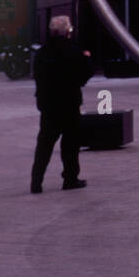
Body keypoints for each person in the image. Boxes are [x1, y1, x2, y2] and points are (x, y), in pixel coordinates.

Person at [30, 14, 95, 194]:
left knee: (44, 144)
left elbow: (37, 76)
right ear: (67, 31)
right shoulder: (73, 50)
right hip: (69, 103)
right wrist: (87, 58)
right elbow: (85, 75)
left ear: (52, 31)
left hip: (48, 105)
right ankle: (70, 179)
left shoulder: (42, 52)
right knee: (70, 144)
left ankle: (36, 181)